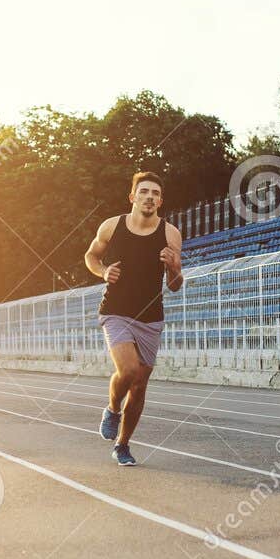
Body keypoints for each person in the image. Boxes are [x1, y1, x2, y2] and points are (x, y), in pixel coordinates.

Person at [84, 171, 184, 466]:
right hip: (115, 310)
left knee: (140, 384)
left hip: (151, 316)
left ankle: (123, 444)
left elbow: (176, 285)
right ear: (133, 197)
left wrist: (175, 266)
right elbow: (91, 256)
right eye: (144, 192)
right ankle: (113, 409)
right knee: (127, 371)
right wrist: (102, 271)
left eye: (155, 193)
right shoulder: (111, 226)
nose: (149, 197)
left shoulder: (170, 234)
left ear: (160, 200)